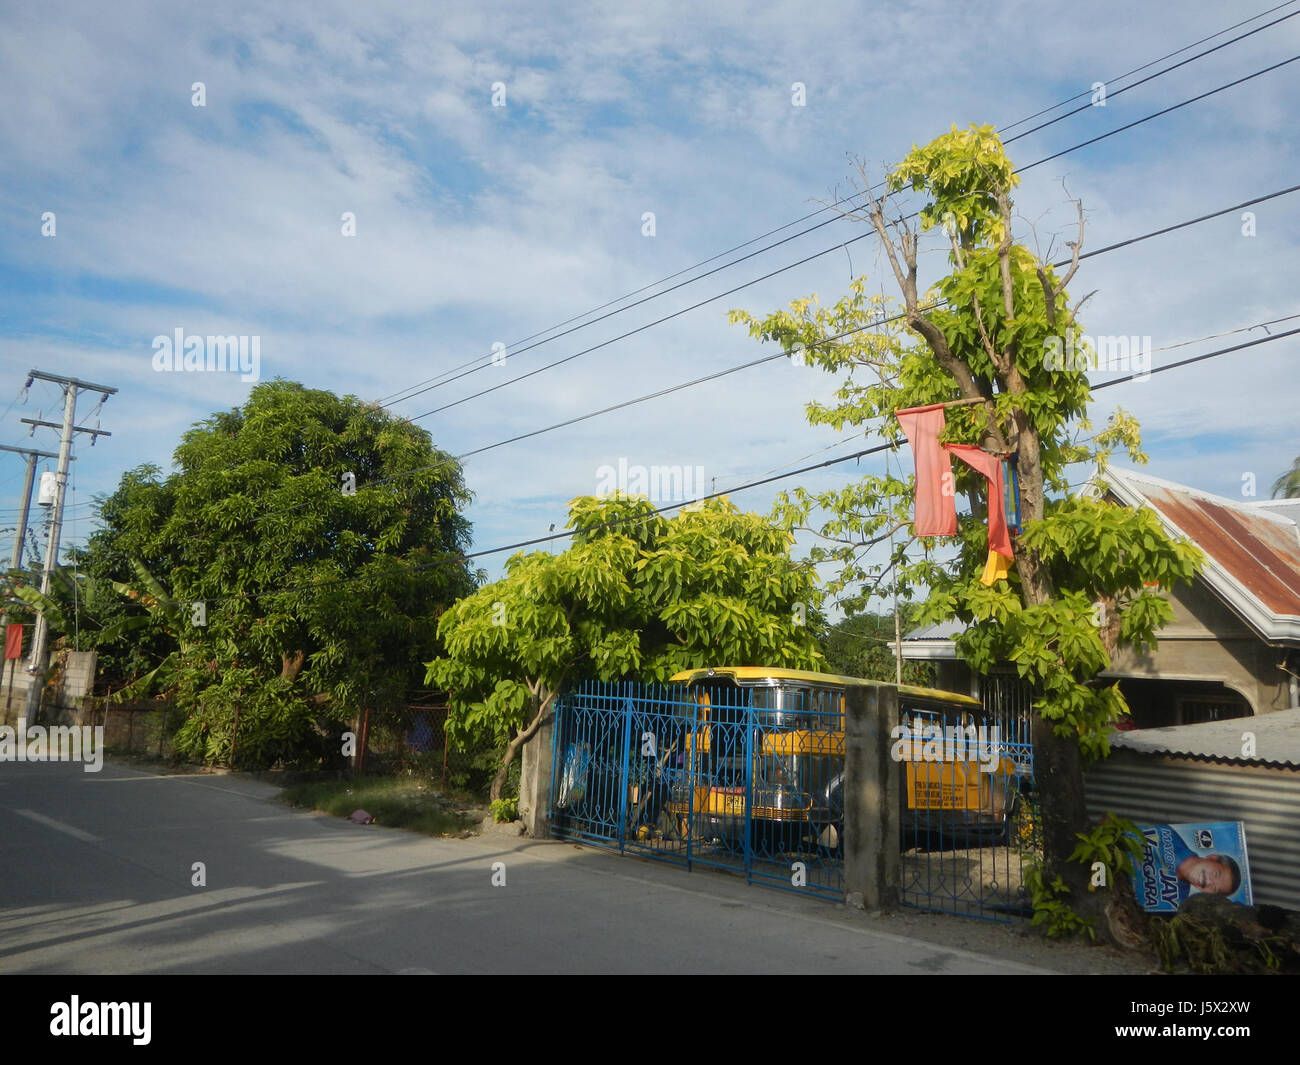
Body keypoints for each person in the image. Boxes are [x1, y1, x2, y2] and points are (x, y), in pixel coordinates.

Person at [1176, 853, 1242, 897]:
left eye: (1214, 888)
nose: (1209, 882)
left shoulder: (1176, 901)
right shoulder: (1169, 838)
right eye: (1215, 874)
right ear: (1212, 858)